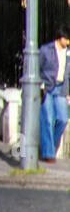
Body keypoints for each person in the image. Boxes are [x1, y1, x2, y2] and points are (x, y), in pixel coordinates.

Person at [38, 24, 70, 162]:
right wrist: (39, 85)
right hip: (47, 88)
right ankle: (48, 154)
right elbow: (37, 67)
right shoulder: (46, 50)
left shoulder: (68, 52)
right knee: (48, 120)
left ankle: (49, 145)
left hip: (61, 88)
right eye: (67, 40)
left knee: (63, 119)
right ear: (61, 38)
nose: (68, 43)